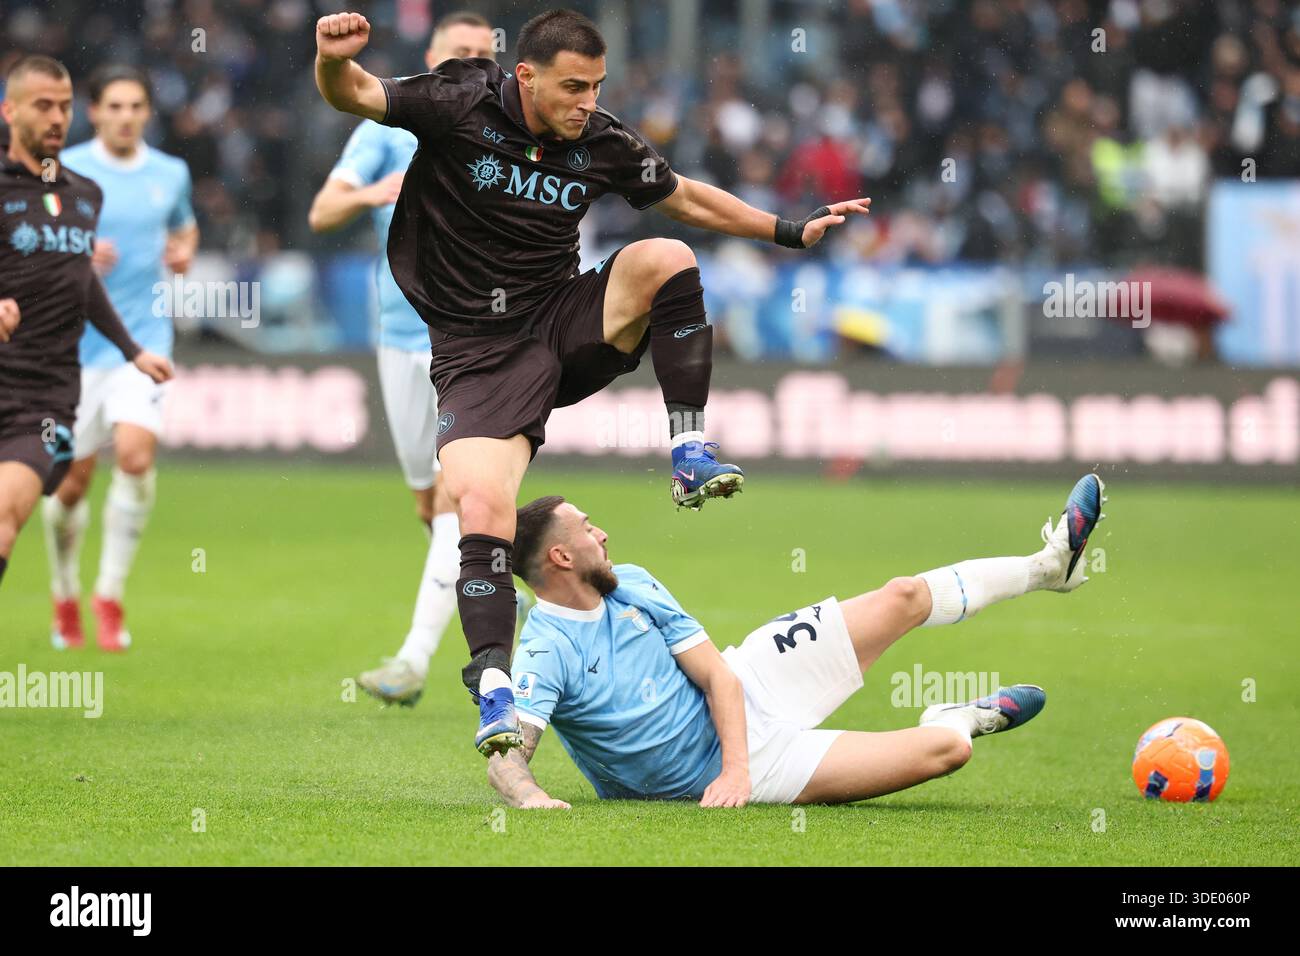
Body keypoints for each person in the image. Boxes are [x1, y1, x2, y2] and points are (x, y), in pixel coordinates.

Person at [313, 8, 871, 756]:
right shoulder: (460, 100)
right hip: (477, 353)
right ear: (526, 76)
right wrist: (328, 59)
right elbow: (353, 92)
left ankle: (689, 451)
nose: (587, 102)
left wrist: (787, 230)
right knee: (481, 508)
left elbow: (687, 198)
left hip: (561, 321)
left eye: (597, 86)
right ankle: (494, 690)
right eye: (573, 87)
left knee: (666, 256)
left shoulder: (598, 139)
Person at [485, 475, 1106, 808]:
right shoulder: (546, 649)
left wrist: (736, 771)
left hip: (748, 686)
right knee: (947, 754)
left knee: (902, 596)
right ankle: (956, 718)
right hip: (749, 771)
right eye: (589, 529)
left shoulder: (635, 583)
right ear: (562, 556)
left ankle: (1048, 569)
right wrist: (533, 799)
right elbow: (508, 754)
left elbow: (718, 678)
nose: (605, 532)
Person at [309, 11, 501, 706]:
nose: (472, 65)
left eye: (484, 55)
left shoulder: (504, 129)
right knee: (434, 505)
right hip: (398, 334)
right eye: (459, 53)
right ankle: (521, 606)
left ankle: (414, 660)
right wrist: (369, 192)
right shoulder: (389, 127)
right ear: (431, 57)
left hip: (475, 336)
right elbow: (322, 213)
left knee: (460, 493)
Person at [0, 55, 172, 597]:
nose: (57, 117)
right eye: (42, 105)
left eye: (65, 105)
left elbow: (80, 279)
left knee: (5, 522)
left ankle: (94, 596)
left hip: (39, 398)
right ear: (9, 110)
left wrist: (131, 350)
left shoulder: (83, 195)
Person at [41, 64, 198, 651]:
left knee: (133, 457)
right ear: (95, 111)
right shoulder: (65, 170)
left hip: (144, 344)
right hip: (72, 350)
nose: (126, 116)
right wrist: (76, 253)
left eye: (136, 106)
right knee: (71, 484)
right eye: (115, 106)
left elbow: (185, 231)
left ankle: (108, 594)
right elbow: (33, 244)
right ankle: (64, 594)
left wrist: (183, 254)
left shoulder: (170, 173)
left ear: (147, 113)